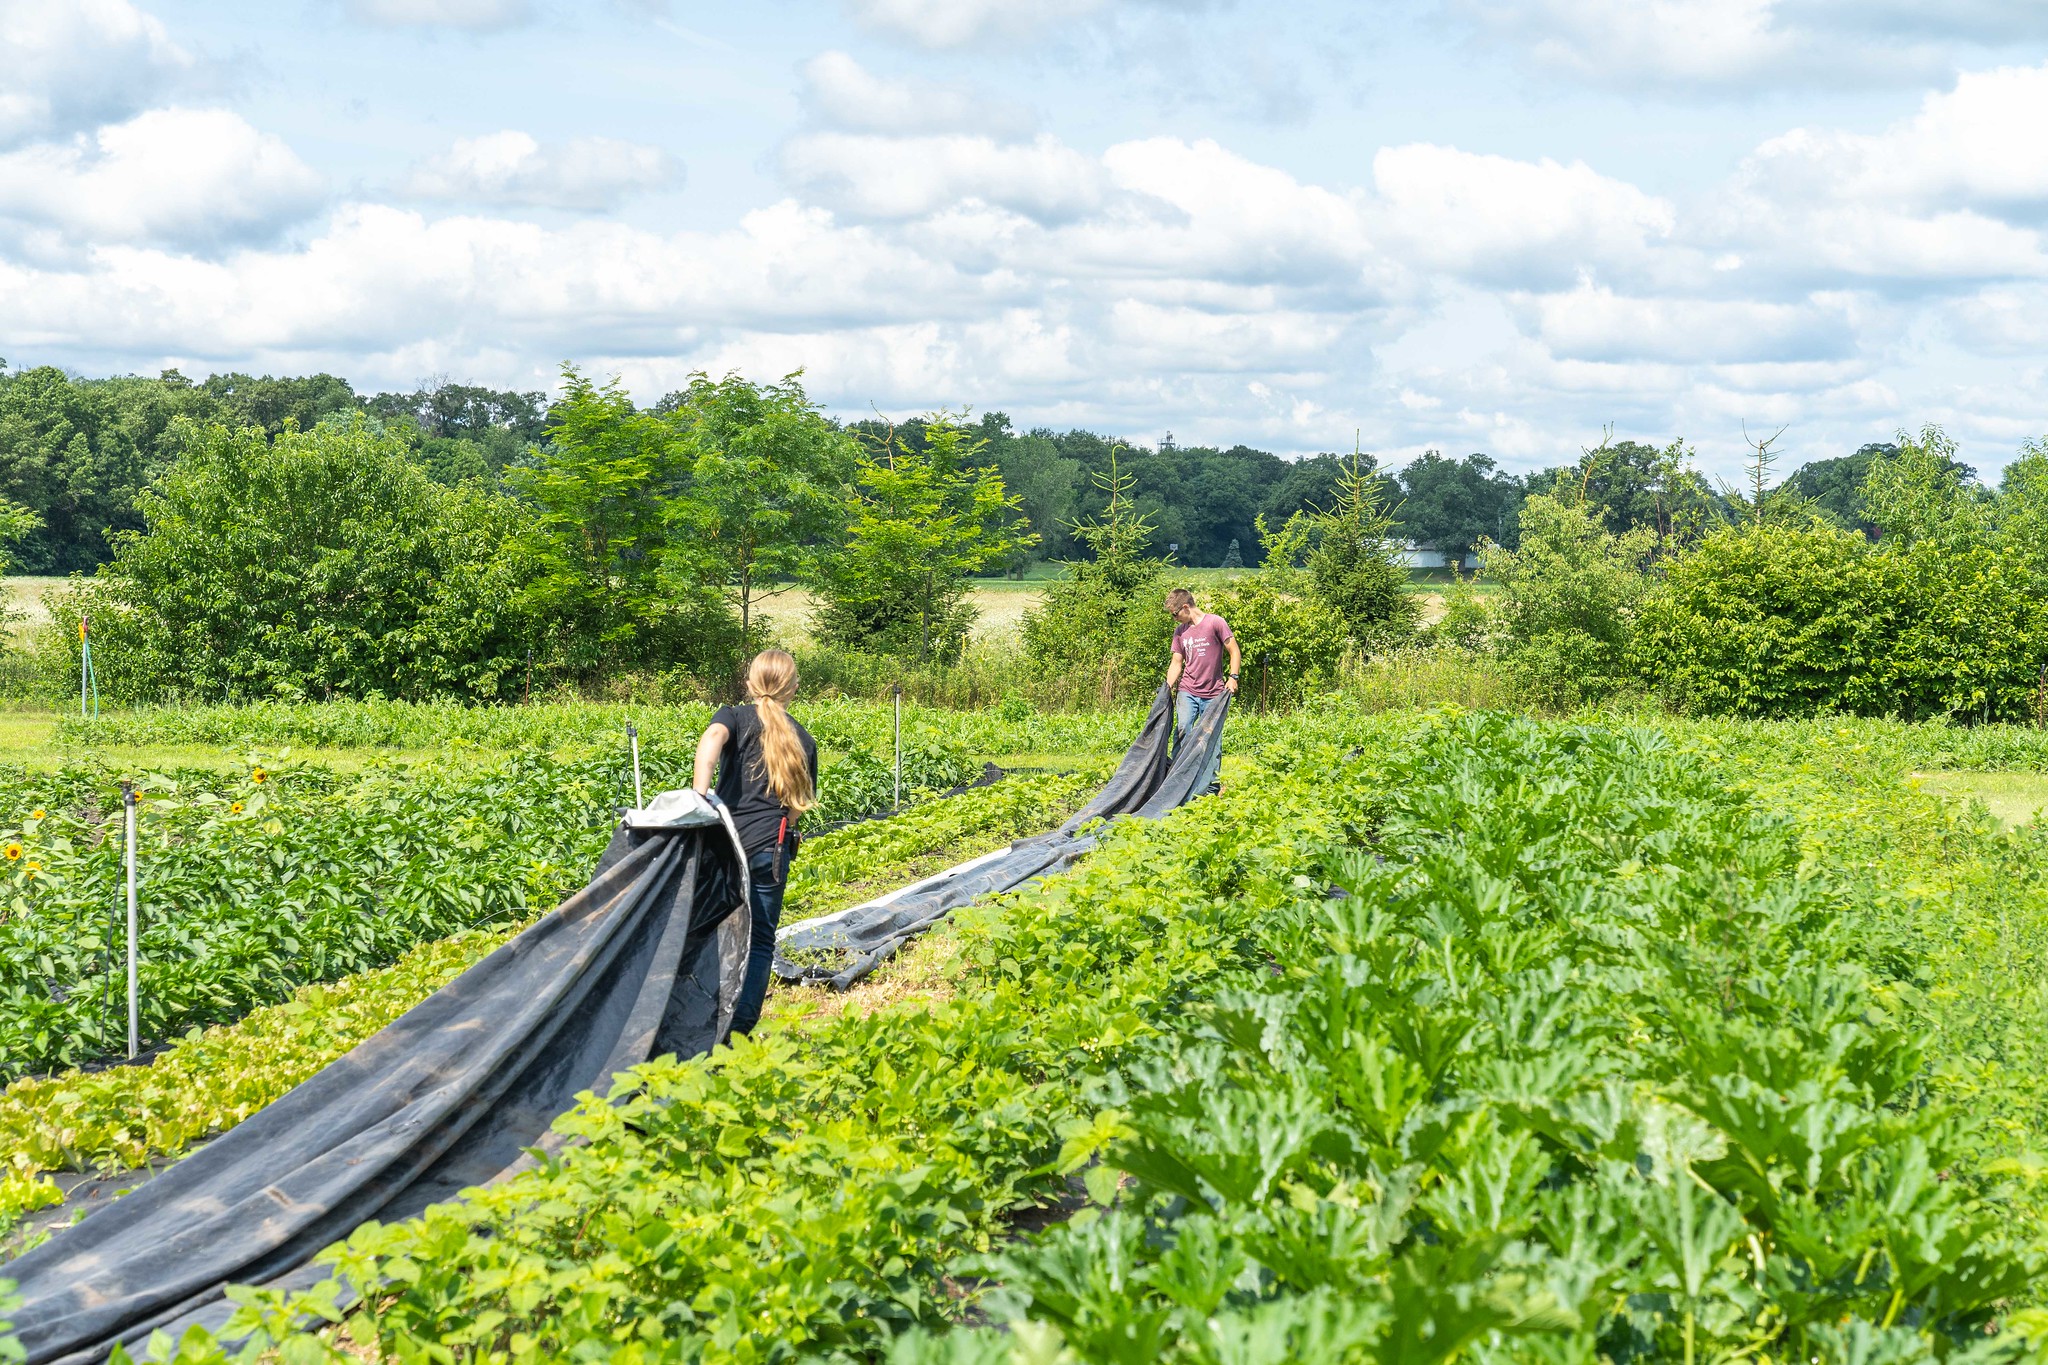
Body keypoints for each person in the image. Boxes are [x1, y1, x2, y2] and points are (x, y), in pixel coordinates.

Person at [691, 648, 818, 1038]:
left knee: (708, 927)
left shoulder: (734, 716)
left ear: (749, 684)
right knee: (760, 938)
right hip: (770, 850)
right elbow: (797, 807)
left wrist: (700, 794)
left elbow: (712, 737)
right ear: (793, 689)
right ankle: (739, 1028)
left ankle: (699, 1016)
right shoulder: (804, 739)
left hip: (727, 848)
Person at [1163, 587, 1239, 797]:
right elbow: (1177, 663)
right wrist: (1166, 687)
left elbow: (1234, 650)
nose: (1174, 618)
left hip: (1213, 693)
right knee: (1183, 730)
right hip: (1187, 690)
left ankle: (1210, 787)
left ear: (1185, 607)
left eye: (1174, 614)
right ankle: (1176, 780)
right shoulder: (1180, 632)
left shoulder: (1215, 623)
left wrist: (1233, 677)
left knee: (1212, 739)